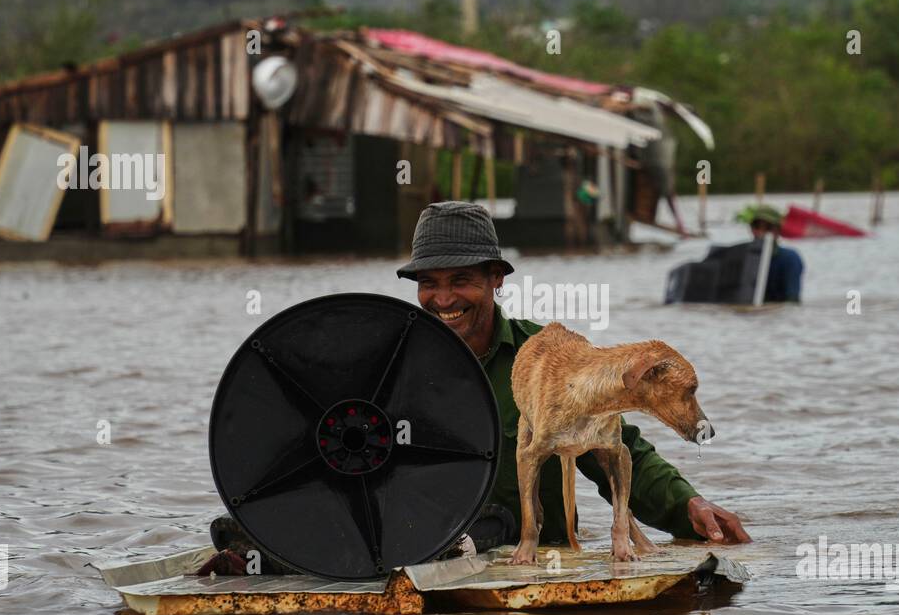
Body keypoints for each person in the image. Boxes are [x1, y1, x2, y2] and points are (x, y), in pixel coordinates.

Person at [206, 201, 750, 575]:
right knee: (246, 532)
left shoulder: (547, 360)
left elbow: (619, 446)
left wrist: (689, 506)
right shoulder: (386, 366)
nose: (444, 300)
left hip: (523, 550)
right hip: (418, 538)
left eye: (461, 280)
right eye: (429, 284)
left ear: (496, 279)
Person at [736, 204, 803, 303]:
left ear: (778, 230)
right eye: (756, 226)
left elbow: (792, 301)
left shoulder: (789, 259)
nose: (761, 232)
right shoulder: (742, 258)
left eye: (768, 228)